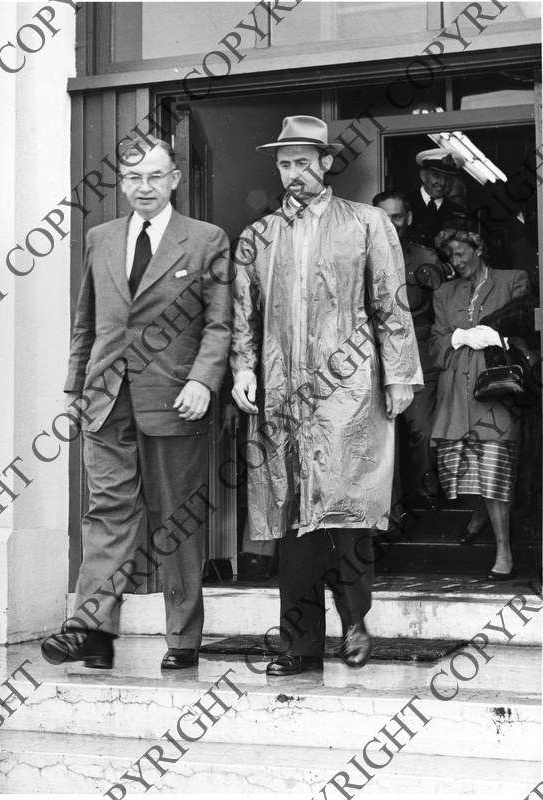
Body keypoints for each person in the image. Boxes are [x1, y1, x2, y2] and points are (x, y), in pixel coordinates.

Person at [231, 116, 422, 676]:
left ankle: (355, 618)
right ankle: (300, 646)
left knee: (348, 509)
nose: (294, 174)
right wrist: (244, 368)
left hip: (348, 389)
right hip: (283, 391)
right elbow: (245, 314)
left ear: (326, 162)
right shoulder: (258, 237)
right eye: (284, 164)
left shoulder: (366, 225)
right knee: (293, 519)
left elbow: (391, 301)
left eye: (302, 162)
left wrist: (399, 375)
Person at [43, 137, 232, 670]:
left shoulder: (205, 239)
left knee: (176, 519)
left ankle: (183, 639)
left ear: (174, 179)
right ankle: (94, 632)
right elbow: (88, 321)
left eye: (154, 177)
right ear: (121, 183)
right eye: (132, 178)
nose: (143, 188)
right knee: (106, 513)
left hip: (176, 399)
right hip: (105, 400)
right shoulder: (100, 238)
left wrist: (203, 379)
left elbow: (220, 322)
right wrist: (74, 391)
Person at [429, 225, 530, 580]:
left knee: (494, 471)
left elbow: (527, 328)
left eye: (461, 254)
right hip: (455, 392)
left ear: (478, 248)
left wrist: (498, 336)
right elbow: (435, 344)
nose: (456, 262)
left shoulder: (512, 279)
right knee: (452, 469)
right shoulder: (443, 292)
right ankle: (481, 513)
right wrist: (457, 337)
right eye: (449, 257)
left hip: (495, 390)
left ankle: (504, 554)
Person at [373, 190, 449, 503]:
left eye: (397, 217)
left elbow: (442, 314)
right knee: (378, 437)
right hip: (369, 359)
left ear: (409, 218)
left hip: (417, 357)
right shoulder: (357, 259)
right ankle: (385, 510)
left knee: (423, 432)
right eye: (382, 218)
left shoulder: (426, 260)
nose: (390, 225)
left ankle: (422, 497)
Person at [408, 149, 467, 248]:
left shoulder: (459, 212)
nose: (443, 183)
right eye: (437, 176)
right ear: (423, 176)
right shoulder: (405, 203)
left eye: (447, 178)